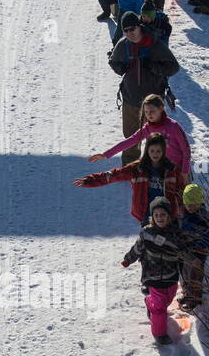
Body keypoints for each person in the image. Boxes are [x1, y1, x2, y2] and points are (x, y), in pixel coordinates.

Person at [109, 13, 180, 158]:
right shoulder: (123, 45)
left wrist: (155, 68)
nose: (130, 33)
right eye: (126, 30)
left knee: (156, 141)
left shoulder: (154, 44)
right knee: (130, 141)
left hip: (153, 102)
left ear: (139, 27)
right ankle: (130, 169)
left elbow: (173, 67)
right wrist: (120, 68)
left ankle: (156, 168)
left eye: (132, 28)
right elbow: (113, 61)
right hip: (131, 100)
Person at [74, 134, 186, 224]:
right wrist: (90, 180)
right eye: (152, 151)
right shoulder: (137, 168)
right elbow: (113, 175)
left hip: (167, 215)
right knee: (149, 241)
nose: (155, 154)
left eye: (158, 151)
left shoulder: (172, 169)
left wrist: (183, 209)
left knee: (168, 243)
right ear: (147, 150)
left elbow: (181, 191)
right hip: (146, 214)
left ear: (164, 151)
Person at [121, 196, 186, 345]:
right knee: (160, 308)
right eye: (156, 215)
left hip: (171, 275)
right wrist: (128, 259)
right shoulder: (147, 233)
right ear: (152, 217)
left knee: (168, 299)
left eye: (163, 214)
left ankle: (149, 302)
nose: (159, 218)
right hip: (153, 276)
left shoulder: (175, 233)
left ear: (169, 216)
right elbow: (137, 249)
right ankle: (160, 334)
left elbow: (182, 251)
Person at [87, 93, 190, 176]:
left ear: (161, 108)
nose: (149, 114)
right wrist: (106, 154)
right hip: (161, 170)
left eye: (152, 111)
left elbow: (186, 151)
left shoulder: (173, 126)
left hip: (178, 170)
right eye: (146, 112)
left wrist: (184, 172)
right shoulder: (148, 128)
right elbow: (130, 141)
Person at [177, 183, 209, 309]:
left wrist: (200, 255)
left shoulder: (203, 218)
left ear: (199, 202)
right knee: (185, 274)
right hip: (185, 251)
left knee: (195, 277)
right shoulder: (184, 214)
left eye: (192, 204)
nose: (189, 207)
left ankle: (194, 300)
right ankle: (187, 294)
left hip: (197, 253)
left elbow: (206, 238)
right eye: (187, 204)